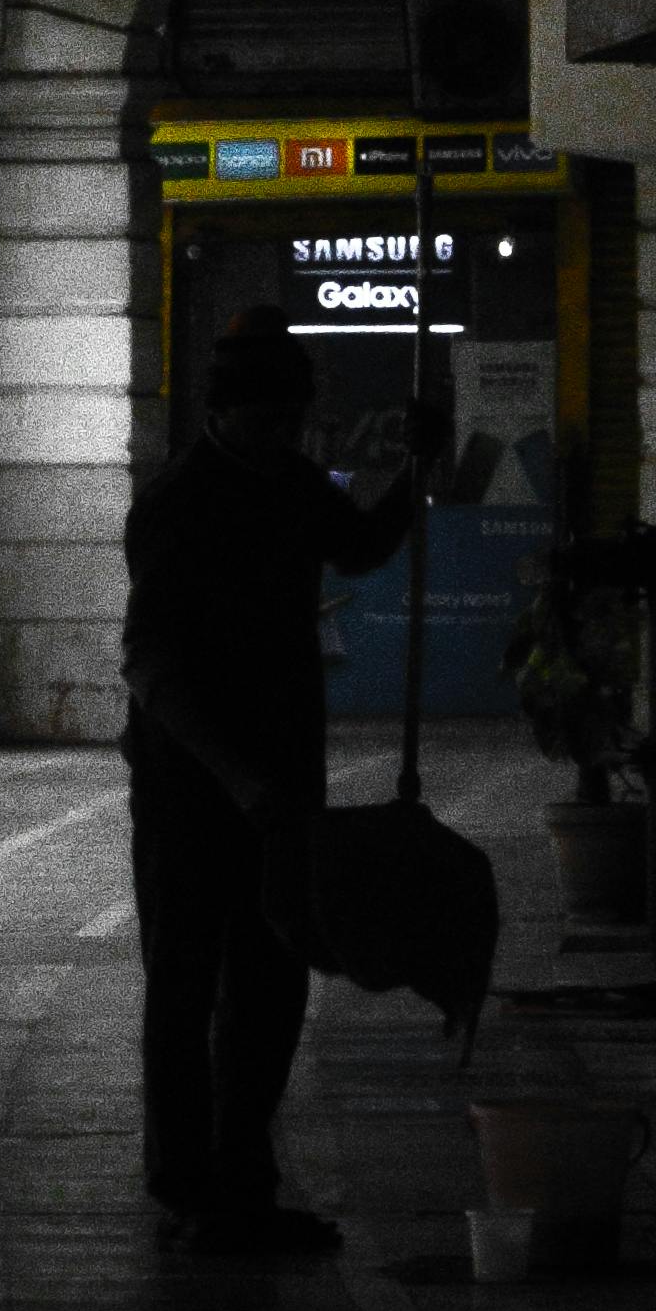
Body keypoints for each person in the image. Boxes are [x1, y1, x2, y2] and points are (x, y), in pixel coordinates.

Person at [122, 301, 436, 1258]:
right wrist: (233, 775)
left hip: (282, 777)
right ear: (222, 413)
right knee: (183, 982)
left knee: (268, 982)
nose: (279, 435)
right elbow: (150, 666)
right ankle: (186, 1184)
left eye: (291, 421)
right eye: (263, 419)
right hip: (188, 783)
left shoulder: (293, 482)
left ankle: (243, 1178)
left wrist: (415, 471)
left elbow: (359, 547)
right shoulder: (175, 504)